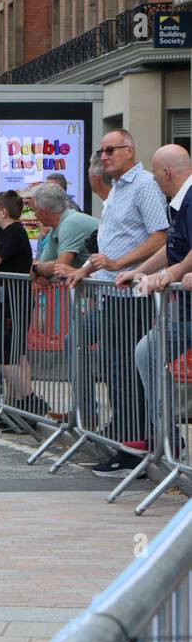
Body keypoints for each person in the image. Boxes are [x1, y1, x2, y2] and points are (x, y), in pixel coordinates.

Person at [63, 136, 167, 473]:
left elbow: (159, 237)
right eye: (101, 151)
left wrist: (122, 264)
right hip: (112, 292)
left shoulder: (144, 185)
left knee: (125, 369)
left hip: (133, 295)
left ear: (130, 151)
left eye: (110, 150)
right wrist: (85, 269)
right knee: (115, 368)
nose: (104, 156)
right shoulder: (119, 189)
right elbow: (110, 245)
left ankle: (135, 446)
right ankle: (130, 440)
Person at [119, 146, 192, 475]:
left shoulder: (189, 200)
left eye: (154, 171)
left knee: (148, 350)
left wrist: (171, 275)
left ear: (166, 173)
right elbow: (172, 246)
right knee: (148, 351)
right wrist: (142, 272)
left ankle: (166, 437)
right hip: (186, 310)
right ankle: (165, 436)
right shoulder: (178, 204)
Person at [0, 190, 53, 425]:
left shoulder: (12, 232)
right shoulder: (12, 232)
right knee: (15, 353)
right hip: (14, 299)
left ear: (3, 211)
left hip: (13, 301)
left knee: (6, 356)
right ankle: (14, 408)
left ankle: (31, 401)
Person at [30, 183, 97, 280]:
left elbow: (60, 267)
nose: (34, 214)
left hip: (113, 289)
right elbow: (41, 267)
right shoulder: (57, 226)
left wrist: (37, 268)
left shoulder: (70, 223)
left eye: (34, 210)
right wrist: (40, 271)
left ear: (44, 211)